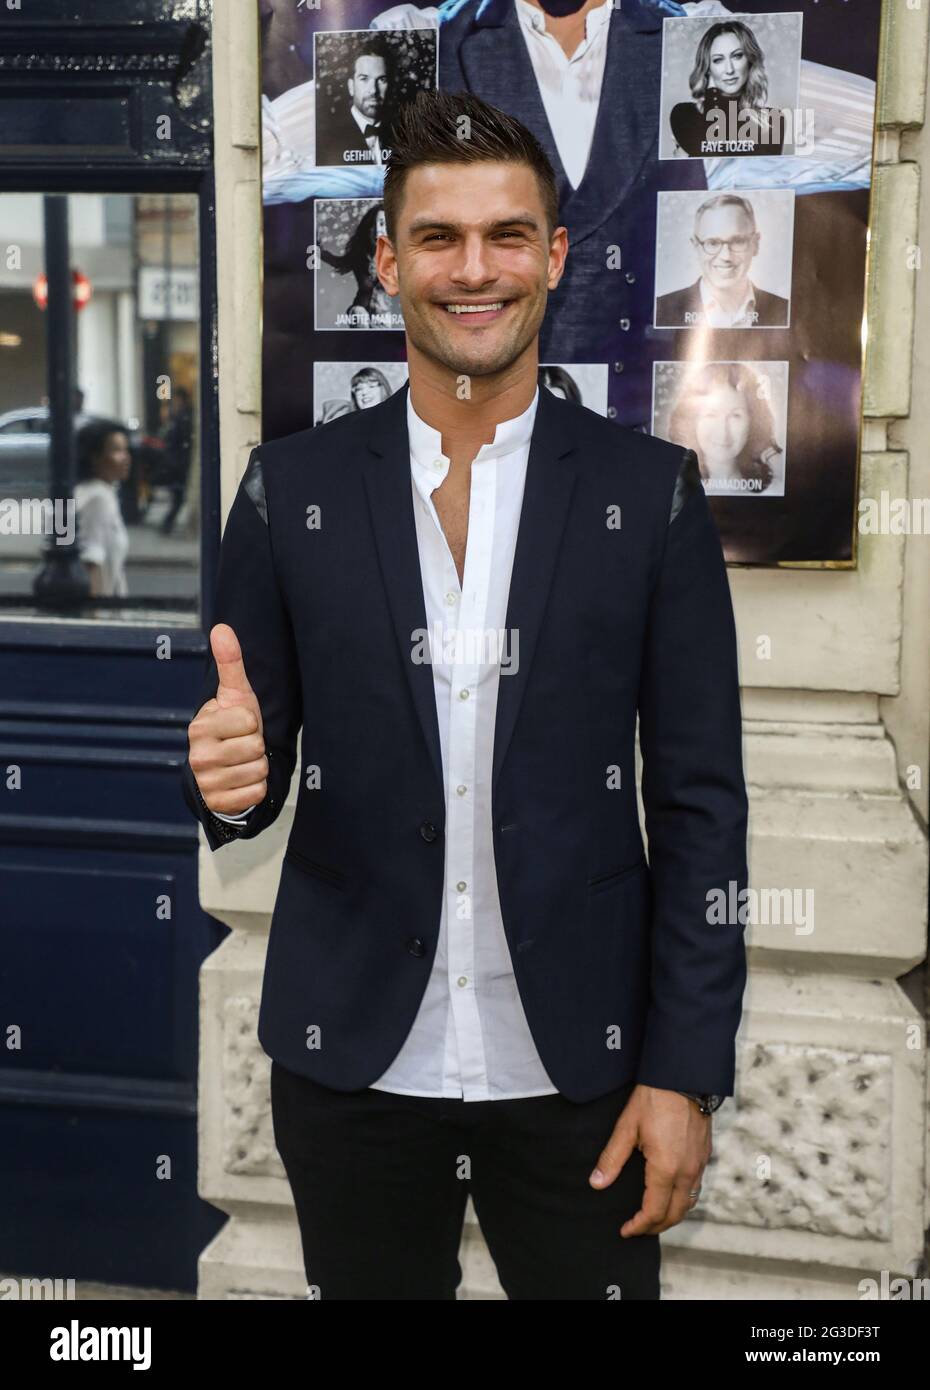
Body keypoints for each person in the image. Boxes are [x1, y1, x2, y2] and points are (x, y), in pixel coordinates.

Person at [183, 89, 749, 1300]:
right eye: (436, 237)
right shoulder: (289, 492)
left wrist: (683, 1072)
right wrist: (228, 784)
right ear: (387, 260)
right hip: (355, 1074)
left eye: (505, 235)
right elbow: (248, 771)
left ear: (553, 253)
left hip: (582, 1078)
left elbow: (704, 804)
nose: (471, 269)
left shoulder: (651, 495)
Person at [655, 193, 790, 328]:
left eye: (737, 241)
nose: (726, 256)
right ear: (695, 247)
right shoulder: (661, 310)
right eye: (712, 243)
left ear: (755, 244)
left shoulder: (784, 310)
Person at [669, 19, 786, 158]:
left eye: (737, 56)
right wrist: (712, 94)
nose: (729, 69)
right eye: (718, 60)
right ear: (707, 67)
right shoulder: (684, 114)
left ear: (750, 60)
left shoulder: (773, 120)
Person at [668, 361, 782, 494]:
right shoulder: (671, 487)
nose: (723, 432)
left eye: (736, 416)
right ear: (693, 421)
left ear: (753, 422)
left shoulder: (774, 489)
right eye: (711, 415)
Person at [74, 418, 132, 598]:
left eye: (126, 449)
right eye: (116, 450)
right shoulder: (98, 499)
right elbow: (91, 564)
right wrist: (97, 622)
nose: (126, 458)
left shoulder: (99, 492)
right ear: (95, 457)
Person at [158, 387, 194, 536]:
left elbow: (180, 441)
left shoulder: (182, 418)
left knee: (178, 496)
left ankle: (167, 524)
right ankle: (166, 524)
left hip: (178, 463)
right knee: (177, 496)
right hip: (176, 463)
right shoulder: (178, 417)